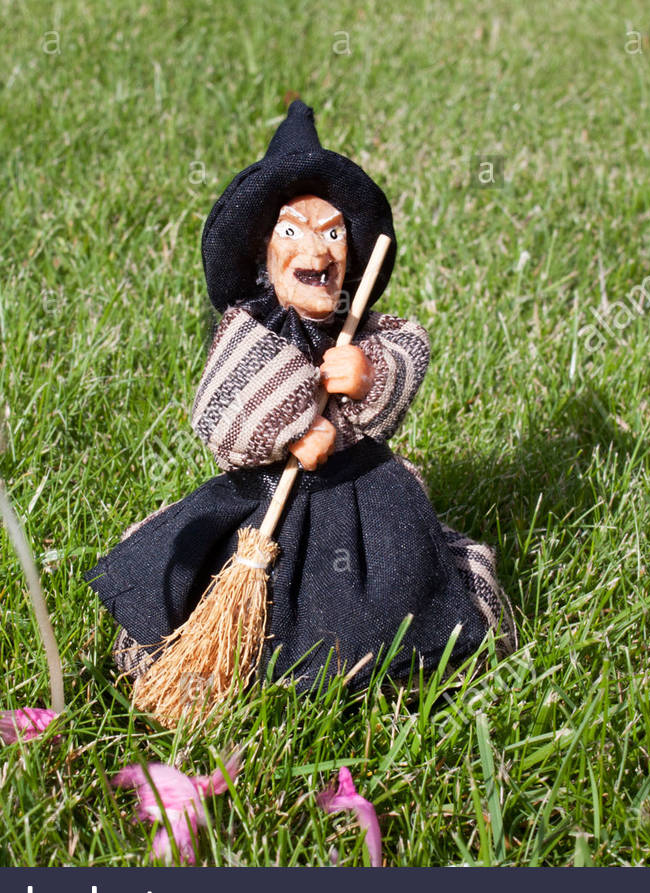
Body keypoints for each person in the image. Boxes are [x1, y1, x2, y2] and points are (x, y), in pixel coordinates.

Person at [86, 100, 515, 696]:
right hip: (265, 501)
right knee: (202, 571)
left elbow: (410, 350)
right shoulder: (250, 326)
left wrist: (366, 375)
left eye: (333, 233)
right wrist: (294, 426)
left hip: (361, 497)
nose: (316, 253)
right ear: (264, 253)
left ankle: (387, 661)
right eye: (292, 232)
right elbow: (220, 409)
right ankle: (220, 657)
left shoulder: (366, 329)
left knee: (396, 578)